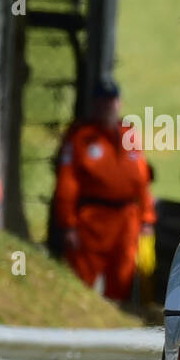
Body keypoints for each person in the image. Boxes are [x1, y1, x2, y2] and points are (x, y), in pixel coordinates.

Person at [53, 79, 156, 302]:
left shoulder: (128, 133)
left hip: (127, 218)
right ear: (94, 104)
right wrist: (67, 223)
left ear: (118, 103)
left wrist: (147, 218)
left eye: (111, 101)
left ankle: (116, 328)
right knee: (81, 279)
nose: (107, 107)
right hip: (92, 218)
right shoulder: (81, 137)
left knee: (123, 277)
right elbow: (67, 182)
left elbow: (141, 179)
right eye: (102, 102)